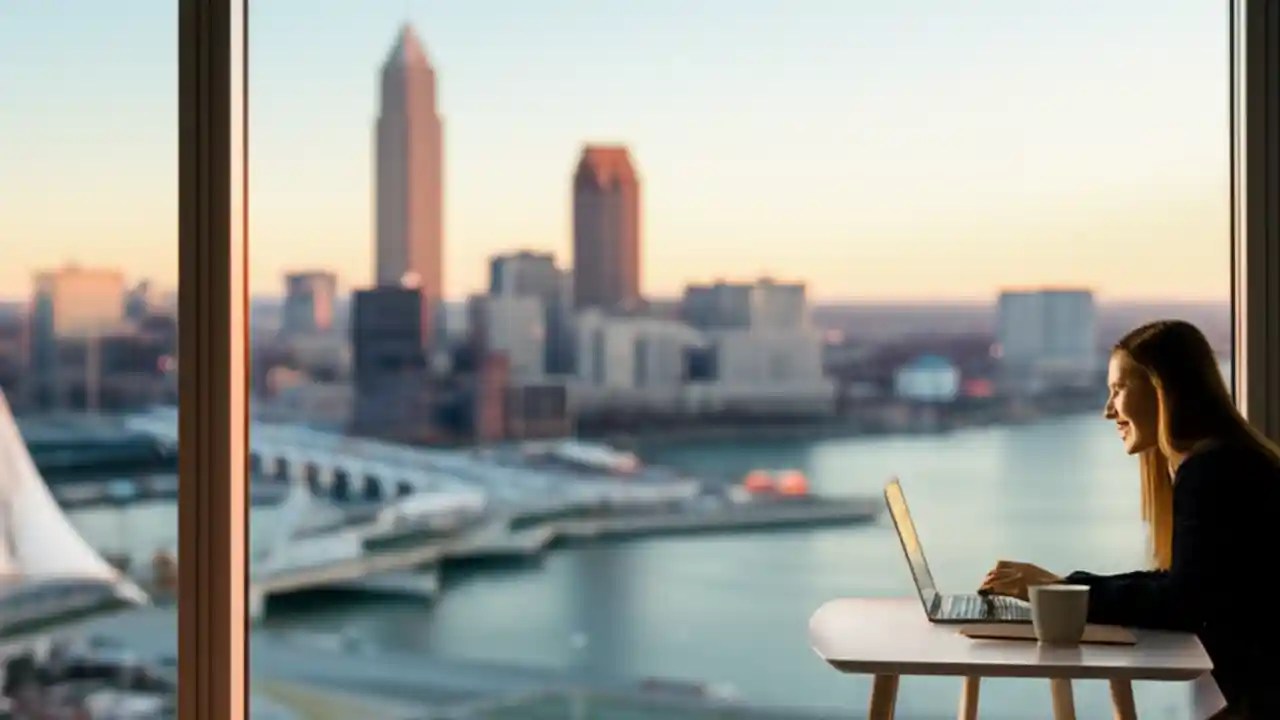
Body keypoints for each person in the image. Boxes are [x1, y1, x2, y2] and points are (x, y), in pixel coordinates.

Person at [978, 320, 1280, 718]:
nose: (1109, 410)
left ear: (1161, 389)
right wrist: (1064, 587)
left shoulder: (1212, 472)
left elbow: (1183, 602)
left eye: (1118, 389)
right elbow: (1186, 585)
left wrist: (1066, 592)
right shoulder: (1229, 461)